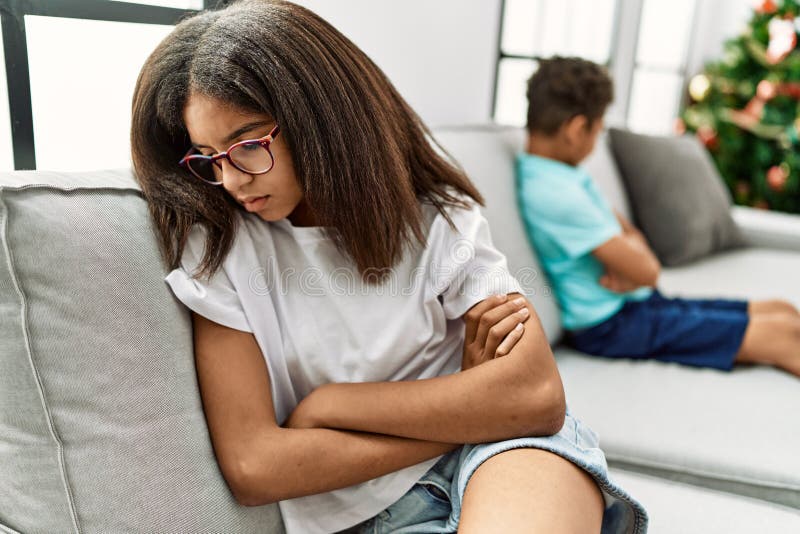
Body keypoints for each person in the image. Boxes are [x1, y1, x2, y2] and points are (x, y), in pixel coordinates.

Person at [130, 2, 648, 533]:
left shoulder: (437, 215)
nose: (234, 180)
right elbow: (254, 465)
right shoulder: (220, 247)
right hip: (375, 512)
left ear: (319, 116)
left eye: (247, 145)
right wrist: (471, 409)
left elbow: (535, 399)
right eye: (209, 157)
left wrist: (332, 406)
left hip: (506, 453)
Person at [516, 55, 800, 378]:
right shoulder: (555, 193)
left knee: (783, 310)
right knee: (779, 334)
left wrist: (629, 250)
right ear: (577, 129)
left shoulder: (560, 172)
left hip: (635, 304)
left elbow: (626, 238)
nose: (596, 140)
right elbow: (648, 270)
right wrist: (632, 251)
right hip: (611, 326)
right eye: (597, 130)